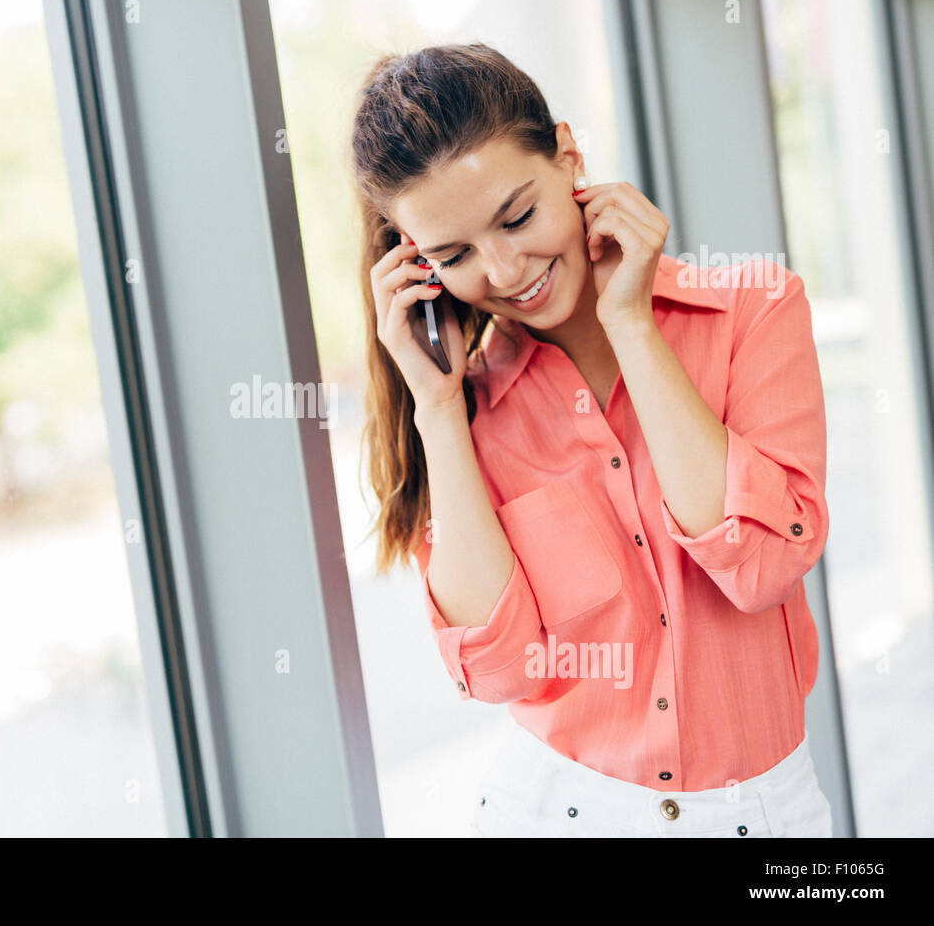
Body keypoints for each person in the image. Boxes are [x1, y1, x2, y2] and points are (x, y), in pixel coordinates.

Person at [352, 43, 833, 837]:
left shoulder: (755, 312)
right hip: (559, 811)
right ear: (416, 266)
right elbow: (500, 669)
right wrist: (437, 408)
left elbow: (764, 565)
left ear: (568, 156)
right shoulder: (467, 411)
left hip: (769, 813)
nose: (505, 270)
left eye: (518, 217)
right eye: (455, 254)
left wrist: (632, 327)